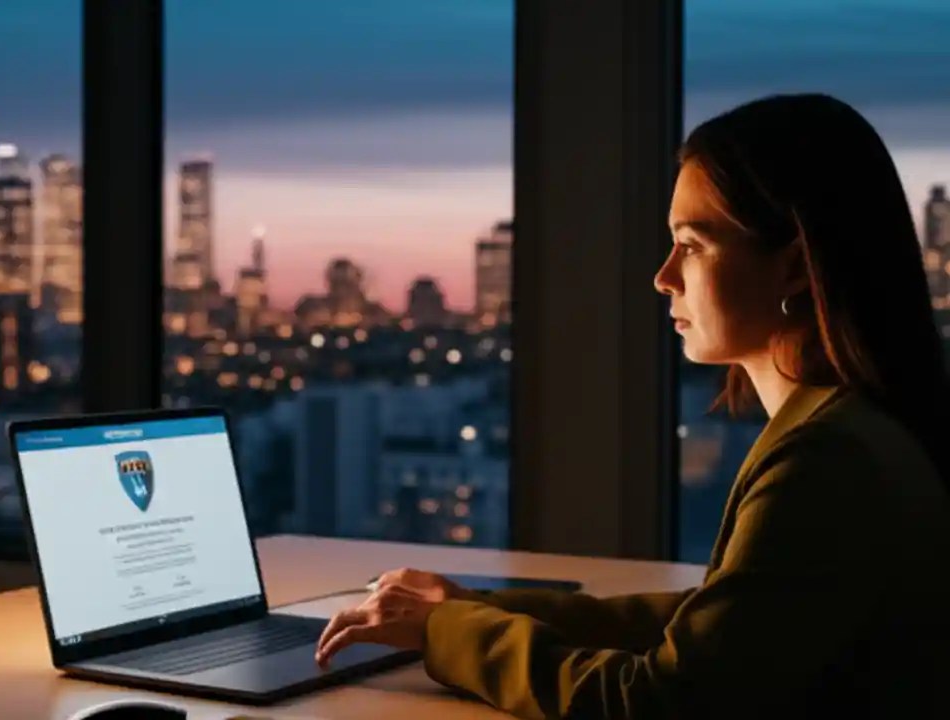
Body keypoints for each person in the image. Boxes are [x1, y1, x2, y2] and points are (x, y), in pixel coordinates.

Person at [314, 94, 950, 718]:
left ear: (793, 267)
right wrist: (469, 610)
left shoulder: (825, 461)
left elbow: (659, 700)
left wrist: (448, 633)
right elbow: (715, 623)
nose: (663, 275)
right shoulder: (855, 429)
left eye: (693, 245)